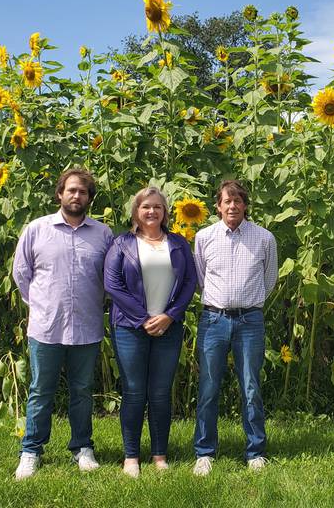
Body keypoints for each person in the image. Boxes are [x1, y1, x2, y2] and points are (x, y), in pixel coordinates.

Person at [12, 167, 113, 480]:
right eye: (71, 190)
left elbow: (111, 277)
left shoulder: (103, 234)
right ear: (59, 194)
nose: (76, 196)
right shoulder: (37, 229)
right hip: (46, 327)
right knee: (41, 390)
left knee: (82, 391)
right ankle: (31, 451)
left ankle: (82, 448)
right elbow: (21, 272)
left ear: (89, 198)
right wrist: (40, 305)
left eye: (82, 192)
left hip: (86, 326)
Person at [103, 186, 197, 477]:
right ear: (136, 212)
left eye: (157, 207)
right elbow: (112, 285)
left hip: (168, 329)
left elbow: (189, 283)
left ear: (165, 212)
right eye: (146, 207)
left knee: (159, 393)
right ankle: (131, 456)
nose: (152, 212)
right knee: (133, 392)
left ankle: (159, 455)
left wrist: (170, 316)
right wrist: (144, 318)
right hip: (130, 328)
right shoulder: (122, 244)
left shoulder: (179, 244)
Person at [192, 180, 277, 476]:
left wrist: (247, 303)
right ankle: (204, 452)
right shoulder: (204, 237)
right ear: (218, 206)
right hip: (213, 319)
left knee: (251, 386)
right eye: (227, 201)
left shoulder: (264, 238)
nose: (232, 206)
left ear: (245, 205)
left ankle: (255, 451)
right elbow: (201, 278)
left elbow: (270, 280)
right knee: (208, 387)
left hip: (249, 321)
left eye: (238, 201)